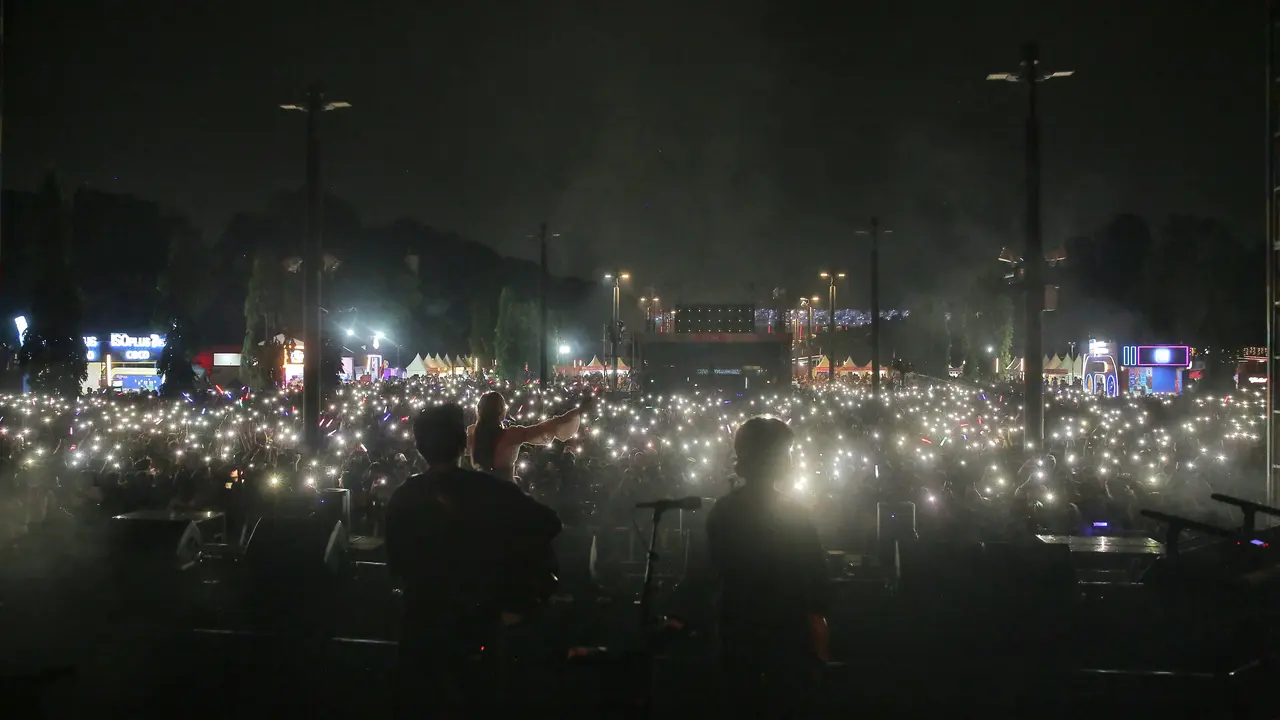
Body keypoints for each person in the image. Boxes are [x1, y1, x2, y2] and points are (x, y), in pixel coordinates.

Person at [386, 403, 562, 717]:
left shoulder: (404, 497)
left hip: (422, 624)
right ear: (460, 443)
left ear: (420, 446)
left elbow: (396, 563)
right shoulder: (491, 492)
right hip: (477, 622)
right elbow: (549, 523)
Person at [706, 416, 830, 718]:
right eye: (786, 452)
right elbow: (816, 578)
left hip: (736, 632)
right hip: (785, 638)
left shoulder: (723, 511)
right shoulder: (793, 514)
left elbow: (712, 573)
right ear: (771, 457)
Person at [469, 390, 592, 481]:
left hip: (479, 492)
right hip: (505, 494)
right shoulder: (510, 435)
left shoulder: (472, 433)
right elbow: (543, 428)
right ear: (501, 411)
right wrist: (577, 411)